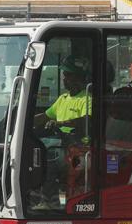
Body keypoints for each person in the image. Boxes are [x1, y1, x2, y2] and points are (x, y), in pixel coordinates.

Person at [33, 55, 93, 207]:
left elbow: (87, 120)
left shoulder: (87, 99)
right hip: (62, 143)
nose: (64, 79)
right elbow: (45, 116)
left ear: (79, 77)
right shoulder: (63, 98)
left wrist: (59, 123)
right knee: (33, 146)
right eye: (64, 75)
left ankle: (48, 200)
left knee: (46, 155)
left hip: (78, 147)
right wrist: (24, 120)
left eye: (68, 75)